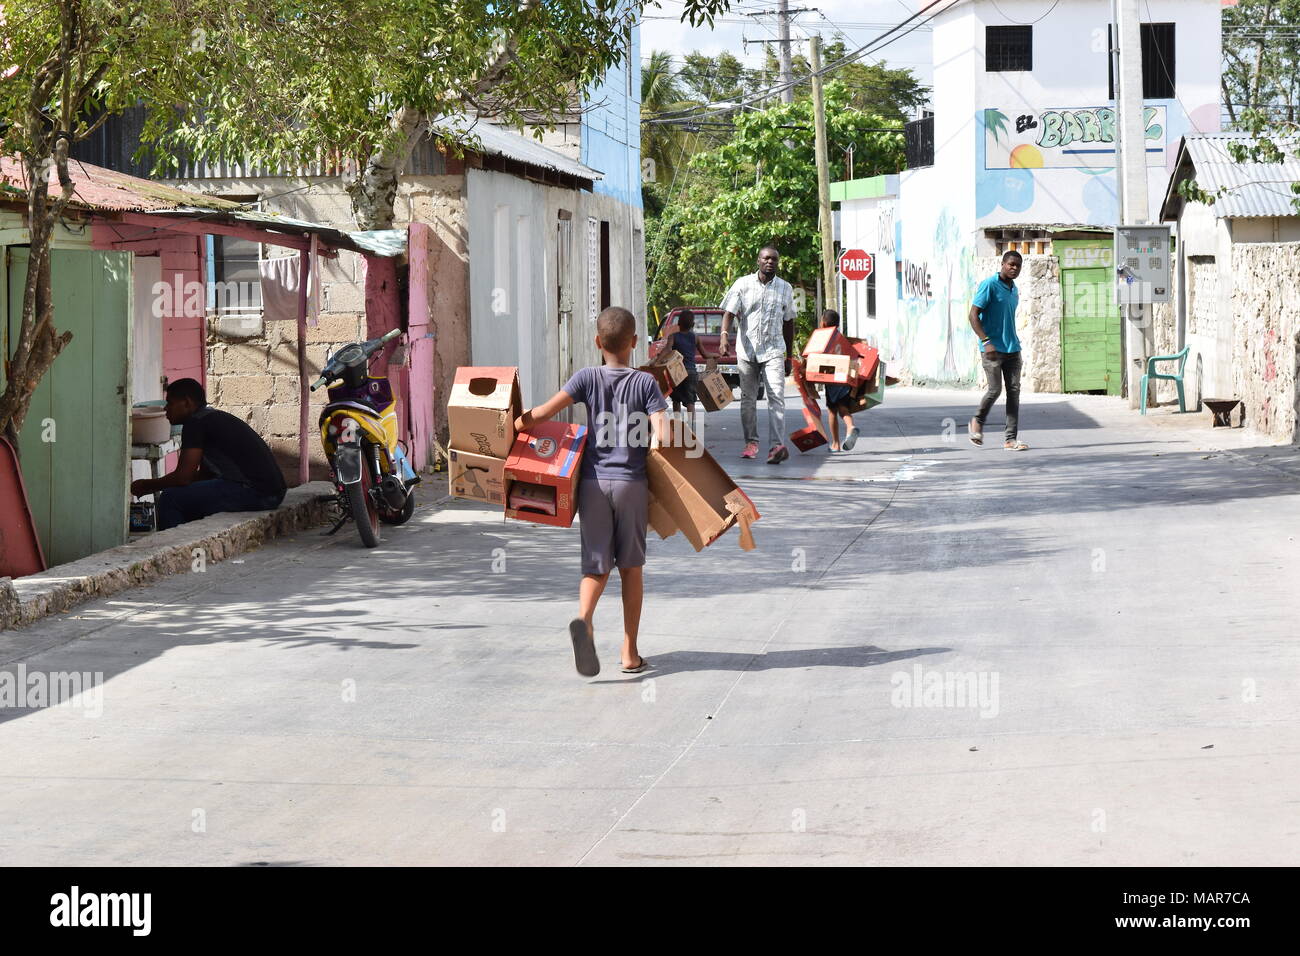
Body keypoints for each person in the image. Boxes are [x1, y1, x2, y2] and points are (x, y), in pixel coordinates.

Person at [515, 307, 668, 678]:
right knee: (631, 568)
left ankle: (584, 619)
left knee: (596, 564)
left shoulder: (586, 377)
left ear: (598, 342)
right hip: (631, 484)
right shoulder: (646, 383)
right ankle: (629, 652)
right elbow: (663, 435)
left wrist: (517, 424)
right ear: (634, 343)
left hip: (592, 484)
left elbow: (544, 413)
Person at [130, 378, 287, 530]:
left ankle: (173, 549)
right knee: (188, 497)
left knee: (170, 499)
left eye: (170, 403)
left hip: (257, 493)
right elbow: (205, 475)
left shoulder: (195, 423)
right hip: (274, 492)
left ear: (187, 402)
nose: (166, 409)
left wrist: (147, 485)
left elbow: (183, 477)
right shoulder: (211, 418)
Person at [717, 244, 796, 464]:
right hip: (747, 351)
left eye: (774, 259)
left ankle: (776, 446)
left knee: (776, 397)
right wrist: (724, 336)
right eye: (766, 258)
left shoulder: (785, 288)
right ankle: (751, 443)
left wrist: (788, 356)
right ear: (758, 261)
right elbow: (729, 312)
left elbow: (789, 322)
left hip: (773, 351)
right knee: (748, 399)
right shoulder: (742, 284)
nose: (770, 262)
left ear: (777, 263)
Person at [968, 251, 1030, 451]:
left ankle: (1010, 440)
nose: (1014, 268)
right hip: (992, 349)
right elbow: (973, 315)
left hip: (1013, 349)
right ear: (1002, 264)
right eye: (1010, 264)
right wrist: (986, 341)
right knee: (995, 390)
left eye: (1017, 266)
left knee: (1014, 393)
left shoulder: (1014, 289)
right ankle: (977, 421)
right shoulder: (989, 285)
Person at [816, 310, 860, 453]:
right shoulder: (842, 338)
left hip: (832, 380)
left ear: (823, 322)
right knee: (843, 408)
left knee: (832, 411)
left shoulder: (823, 337)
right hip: (845, 378)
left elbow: (815, 357)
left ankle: (835, 444)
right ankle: (850, 426)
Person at [668, 309, 700, 416]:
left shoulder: (673, 337)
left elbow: (666, 351)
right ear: (693, 324)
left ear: (678, 323)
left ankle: (676, 425)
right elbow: (705, 354)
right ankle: (692, 427)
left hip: (677, 373)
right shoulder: (695, 337)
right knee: (690, 401)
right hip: (691, 372)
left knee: (676, 399)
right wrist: (715, 356)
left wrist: (656, 362)